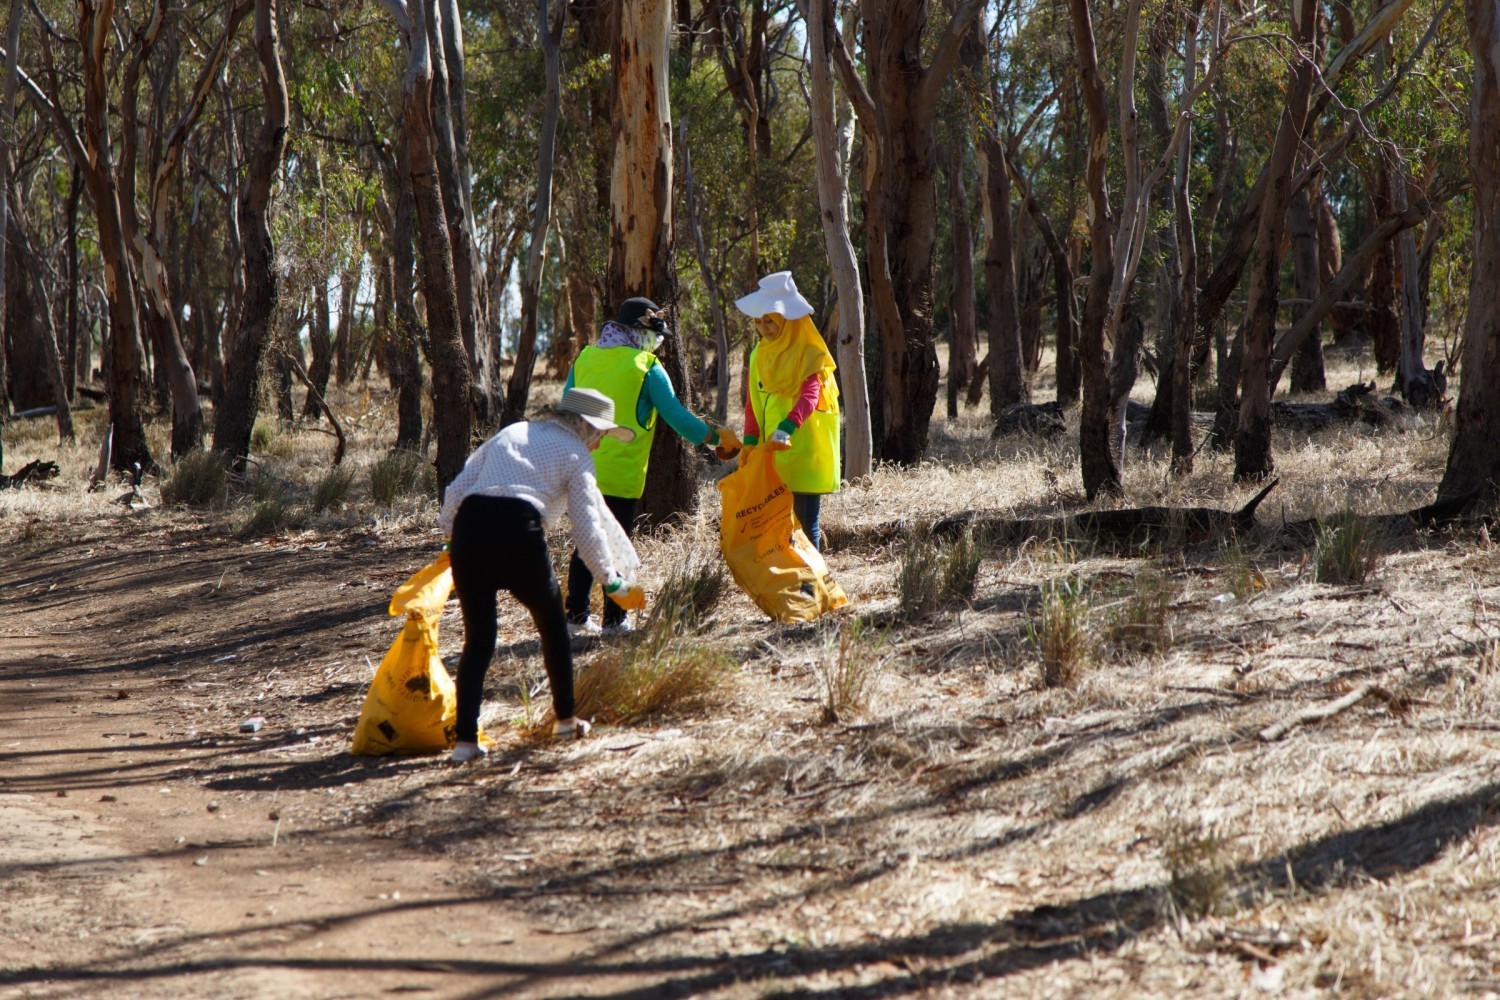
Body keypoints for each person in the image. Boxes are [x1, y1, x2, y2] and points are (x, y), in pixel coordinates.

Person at [438, 387, 645, 764]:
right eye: (600, 435)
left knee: (479, 641)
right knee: (552, 628)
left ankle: (465, 743)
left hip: (470, 528)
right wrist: (612, 582)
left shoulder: (513, 432)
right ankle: (566, 720)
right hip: (520, 531)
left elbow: (455, 493)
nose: (599, 445)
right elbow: (587, 529)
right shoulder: (577, 455)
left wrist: (452, 539)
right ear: (585, 427)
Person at [563, 297, 737, 635]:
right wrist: (715, 439)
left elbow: (567, 405)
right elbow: (676, 417)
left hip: (581, 469)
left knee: (586, 542)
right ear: (642, 333)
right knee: (617, 546)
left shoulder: (586, 357)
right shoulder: (646, 367)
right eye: (657, 337)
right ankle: (616, 619)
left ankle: (576, 617)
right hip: (621, 476)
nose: (659, 345)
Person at [732, 271, 841, 550]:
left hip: (804, 452)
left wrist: (787, 426)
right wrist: (749, 443)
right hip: (772, 455)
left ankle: (811, 587)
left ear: (787, 319)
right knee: (777, 527)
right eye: (758, 321)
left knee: (805, 524)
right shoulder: (759, 354)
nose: (763, 327)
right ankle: (790, 585)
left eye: (770, 320)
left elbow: (811, 395)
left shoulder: (809, 350)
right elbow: (753, 404)